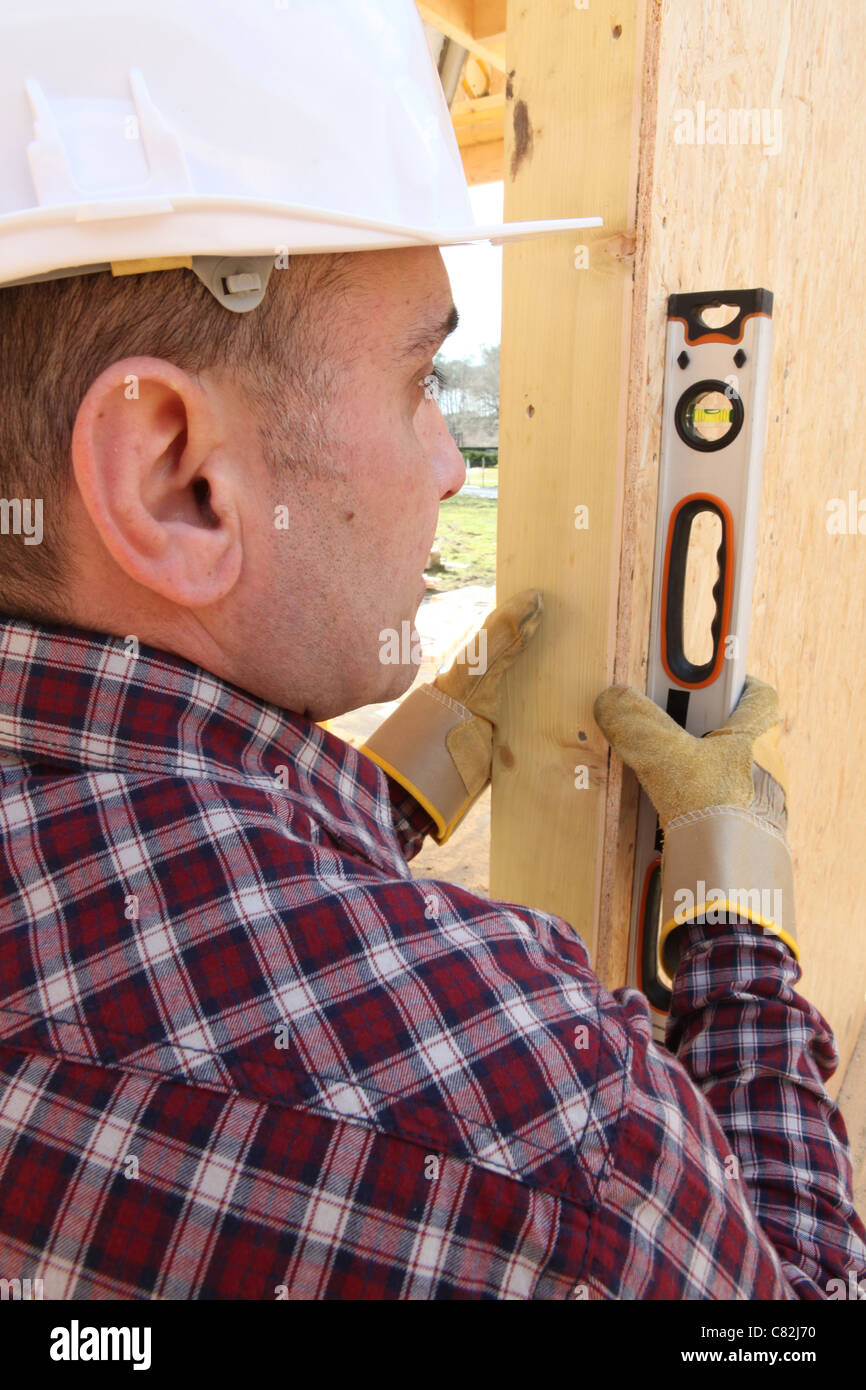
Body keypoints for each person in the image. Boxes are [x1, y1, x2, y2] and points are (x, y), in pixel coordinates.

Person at [0, 1, 863, 1300]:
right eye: (419, 379)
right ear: (176, 477)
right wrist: (732, 910)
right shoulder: (550, 1133)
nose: (454, 461)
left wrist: (393, 786)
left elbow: (169, 922)